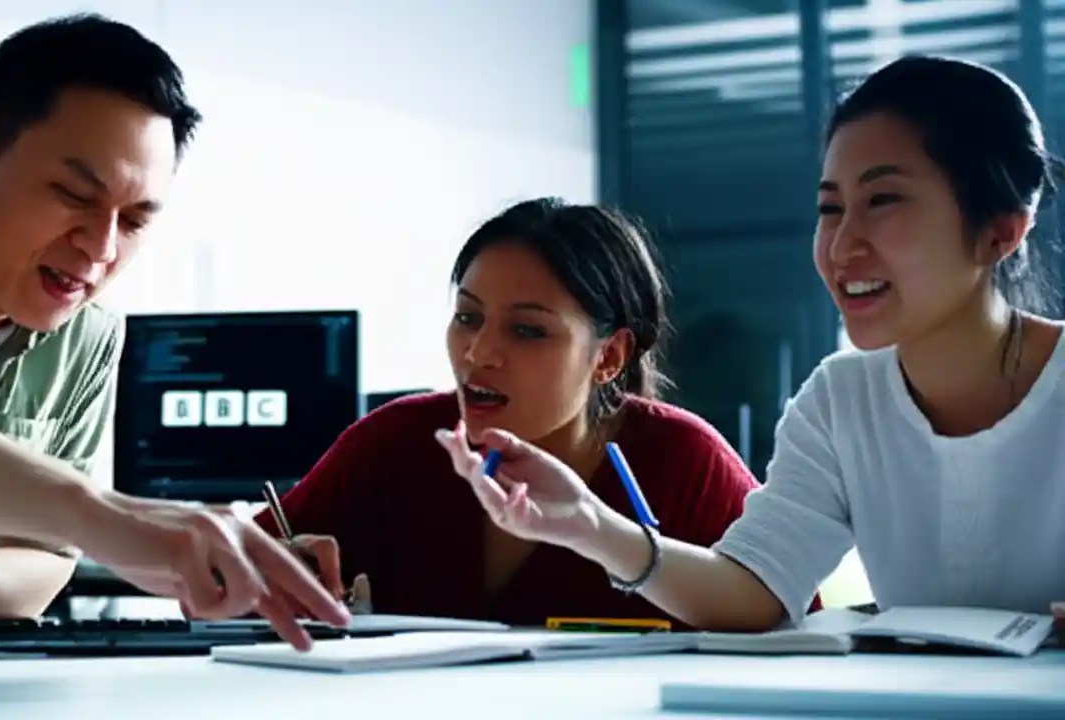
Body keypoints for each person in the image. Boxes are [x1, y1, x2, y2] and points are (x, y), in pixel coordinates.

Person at [439, 55, 1065, 631]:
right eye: (829, 208)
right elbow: (756, 589)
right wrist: (590, 525)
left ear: (1000, 231)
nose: (843, 245)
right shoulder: (840, 400)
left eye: (884, 200)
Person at [0, 13, 347, 650]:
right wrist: (108, 514)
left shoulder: (88, 337)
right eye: (76, 195)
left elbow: (47, 559)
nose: (101, 249)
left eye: (134, 220)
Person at [258, 198, 763, 628]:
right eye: (467, 317)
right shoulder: (395, 443)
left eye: (527, 331)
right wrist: (266, 571)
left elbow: (796, 627)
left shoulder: (685, 461)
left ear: (608, 357)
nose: (478, 353)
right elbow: (220, 575)